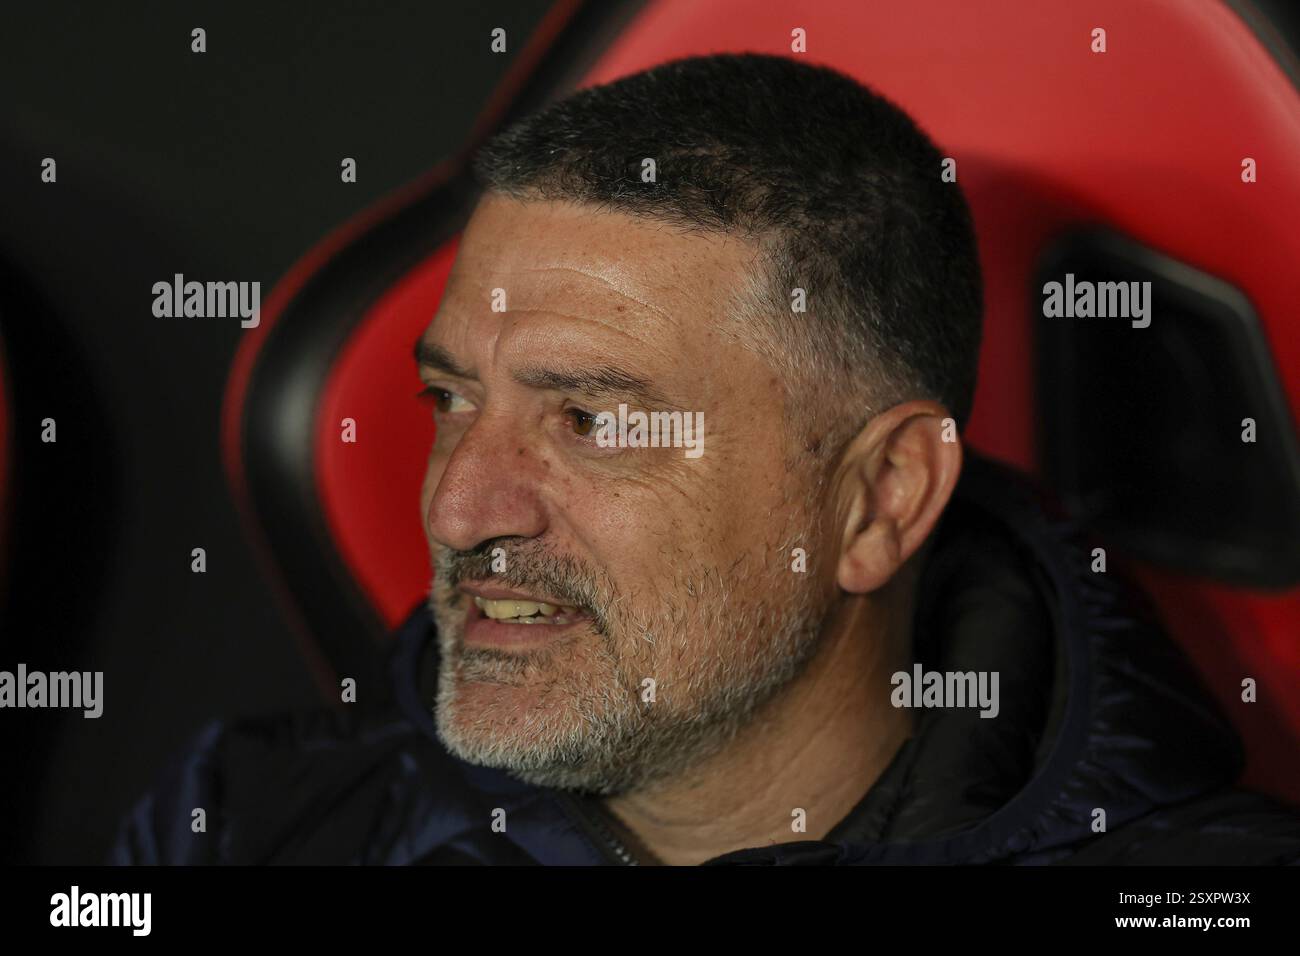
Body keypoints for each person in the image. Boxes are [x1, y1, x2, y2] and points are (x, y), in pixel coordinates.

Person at [112, 53, 1300, 865]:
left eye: (594, 420)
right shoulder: (249, 818)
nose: (460, 504)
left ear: (879, 498)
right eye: (448, 396)